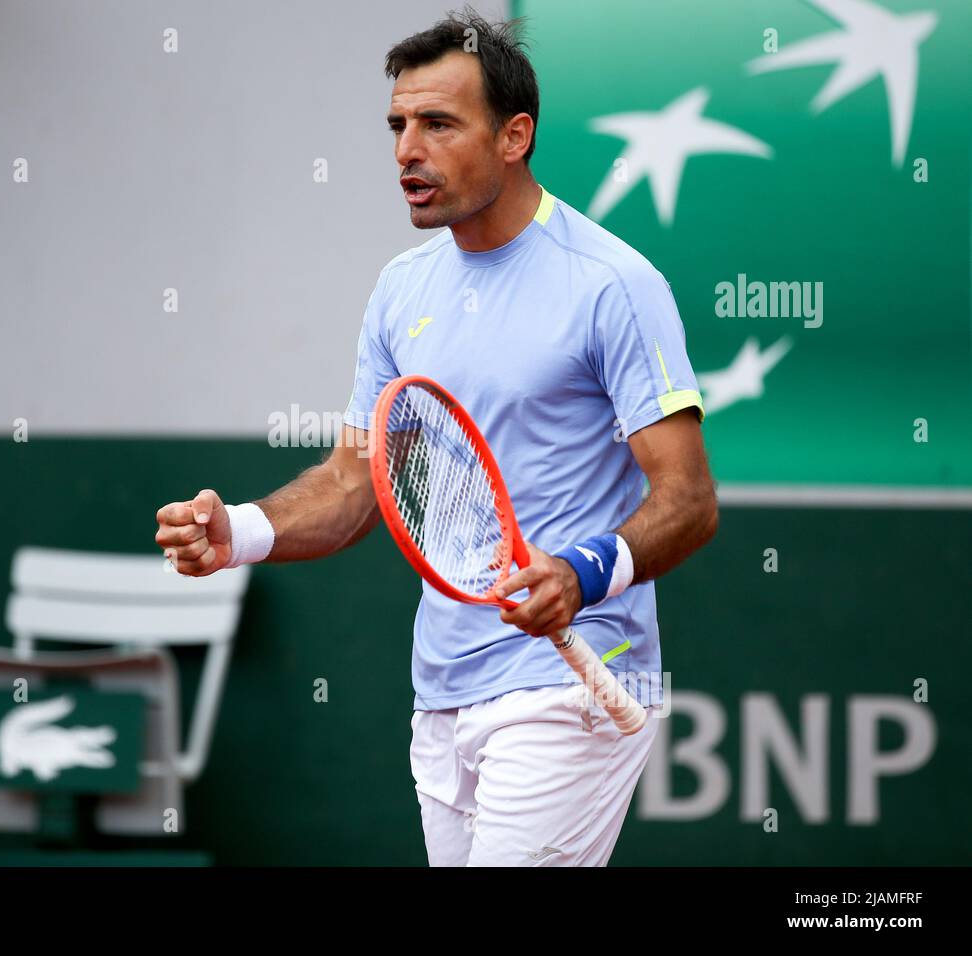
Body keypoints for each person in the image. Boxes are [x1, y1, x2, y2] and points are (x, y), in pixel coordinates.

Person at [155, 7, 717, 866]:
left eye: (438, 124)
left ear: (514, 136)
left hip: (571, 681)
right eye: (397, 125)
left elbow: (689, 500)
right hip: (444, 691)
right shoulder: (400, 291)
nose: (406, 150)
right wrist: (240, 531)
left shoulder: (612, 285)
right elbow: (357, 483)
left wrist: (580, 572)